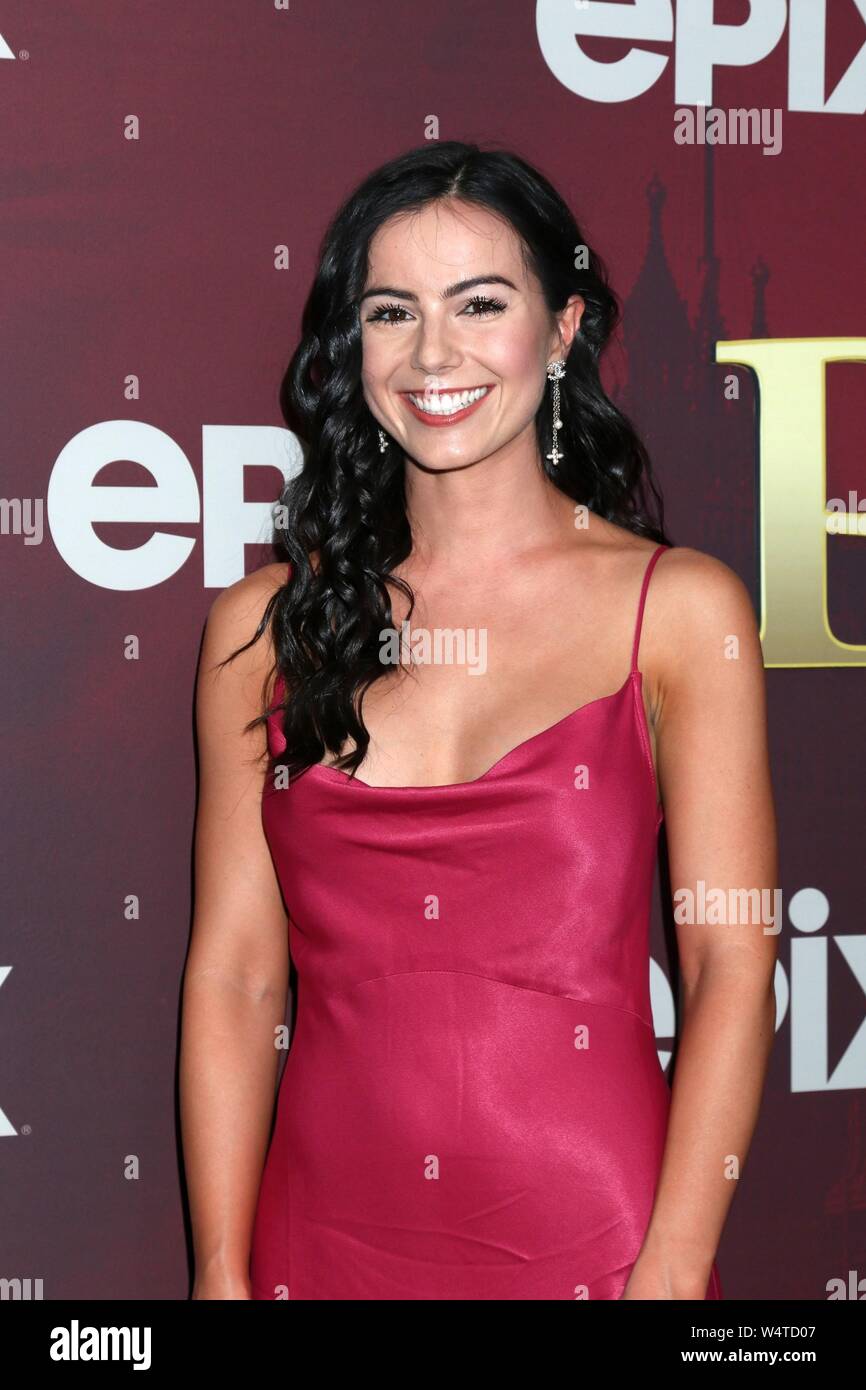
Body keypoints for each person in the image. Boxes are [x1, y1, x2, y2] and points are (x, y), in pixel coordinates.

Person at [180, 142, 778, 1301]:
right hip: (318, 1249)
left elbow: (727, 967)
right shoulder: (264, 626)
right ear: (351, 346)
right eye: (392, 311)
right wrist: (218, 1271)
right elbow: (237, 978)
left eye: (480, 304)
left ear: (560, 332)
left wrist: (669, 1270)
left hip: (595, 1246)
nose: (434, 354)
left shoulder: (677, 608)